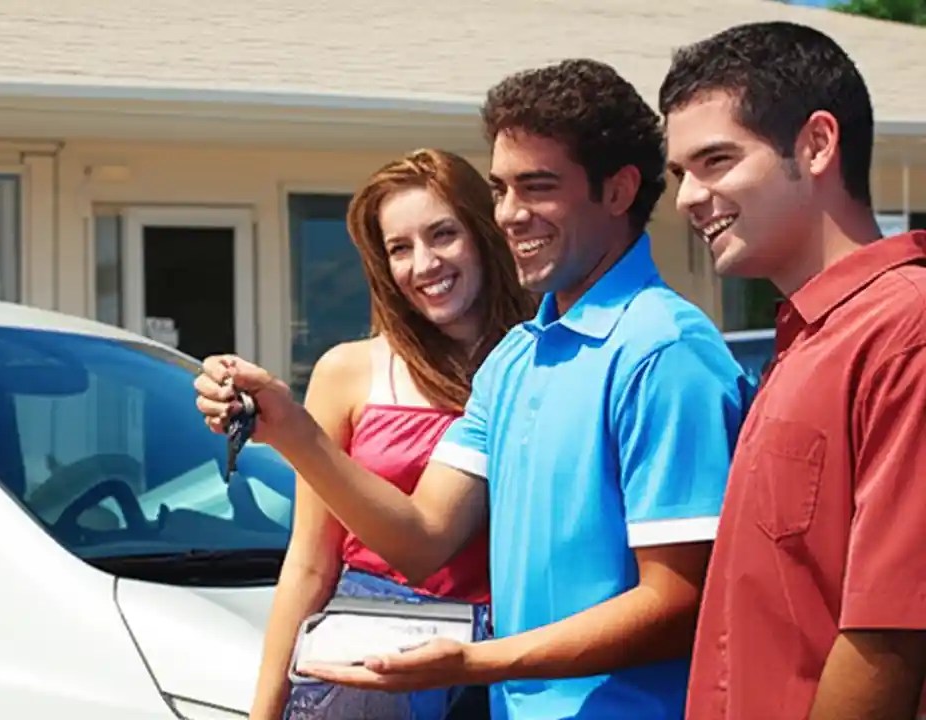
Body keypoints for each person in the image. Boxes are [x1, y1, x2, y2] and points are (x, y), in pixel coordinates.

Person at [196, 59, 750, 720]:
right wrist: (289, 427)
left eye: (538, 187)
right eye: (501, 189)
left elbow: (684, 603)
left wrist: (479, 663)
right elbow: (422, 539)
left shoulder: (666, 351)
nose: (512, 214)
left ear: (619, 190)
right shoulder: (515, 360)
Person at [660, 21, 926, 720]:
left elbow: (891, 636)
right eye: (678, 172)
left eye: (715, 161)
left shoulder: (905, 334)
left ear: (815, 145)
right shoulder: (808, 338)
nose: (688, 196)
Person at [251, 148, 536, 720]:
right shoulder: (347, 372)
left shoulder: (543, 359)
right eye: (399, 248)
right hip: (373, 658)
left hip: (518, 659)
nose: (423, 263)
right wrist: (263, 711)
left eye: (443, 235)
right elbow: (310, 561)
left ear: (483, 234)